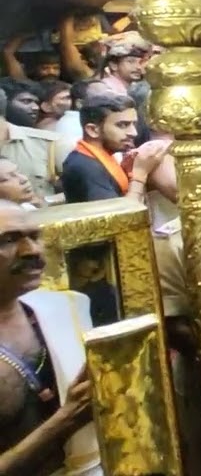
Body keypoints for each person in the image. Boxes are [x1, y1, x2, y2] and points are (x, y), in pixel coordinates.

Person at [0, 200, 101, 475]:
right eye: (9, 240)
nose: (31, 250)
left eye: (34, 237)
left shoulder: (65, 308)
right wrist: (67, 418)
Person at [61, 95, 168, 205]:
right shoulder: (85, 166)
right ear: (93, 130)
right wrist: (139, 174)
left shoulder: (103, 154)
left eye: (133, 124)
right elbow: (121, 217)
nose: (134, 133)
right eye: (122, 125)